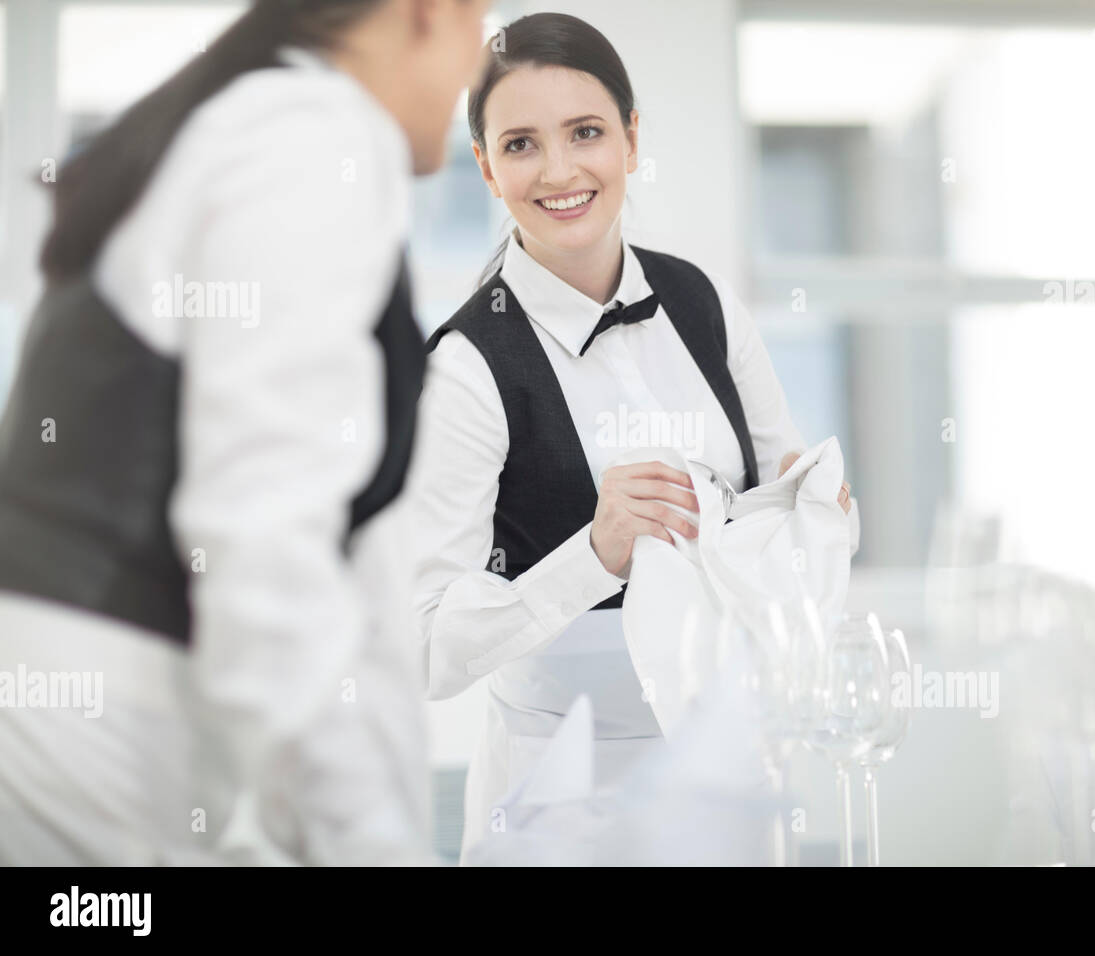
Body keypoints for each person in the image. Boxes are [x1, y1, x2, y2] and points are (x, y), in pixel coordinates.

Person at [0, 0, 491, 865]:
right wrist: (366, 842)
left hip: (90, 737)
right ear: (428, 10)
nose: (471, 75)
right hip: (90, 744)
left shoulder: (260, 124)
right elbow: (261, 533)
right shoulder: (310, 136)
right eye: (477, 27)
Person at [408, 12, 858, 859]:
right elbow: (426, 648)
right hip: (558, 796)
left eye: (585, 132)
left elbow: (780, 498)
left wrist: (817, 513)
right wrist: (593, 555)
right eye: (520, 145)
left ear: (631, 138)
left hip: (727, 770)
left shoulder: (703, 301)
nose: (560, 170)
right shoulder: (467, 369)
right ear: (485, 166)